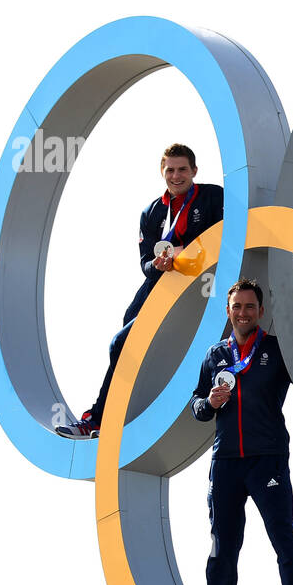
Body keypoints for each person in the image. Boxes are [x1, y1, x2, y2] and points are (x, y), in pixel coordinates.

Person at [173, 279, 293, 585]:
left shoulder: (276, 349)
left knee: (281, 530)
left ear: (260, 312)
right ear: (228, 311)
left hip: (267, 457)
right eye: (237, 306)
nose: (243, 313)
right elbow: (197, 407)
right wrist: (211, 404)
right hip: (226, 460)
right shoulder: (215, 355)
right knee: (223, 541)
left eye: (250, 307)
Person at [56, 143, 223, 437]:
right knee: (122, 342)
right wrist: (158, 264)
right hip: (158, 287)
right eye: (170, 170)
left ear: (194, 170)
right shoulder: (152, 211)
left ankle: (100, 420)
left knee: (122, 343)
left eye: (182, 169)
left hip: (197, 288)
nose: (176, 176)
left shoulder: (212, 196)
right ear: (162, 172)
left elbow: (224, 237)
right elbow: (145, 262)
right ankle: (112, 419)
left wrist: (185, 252)